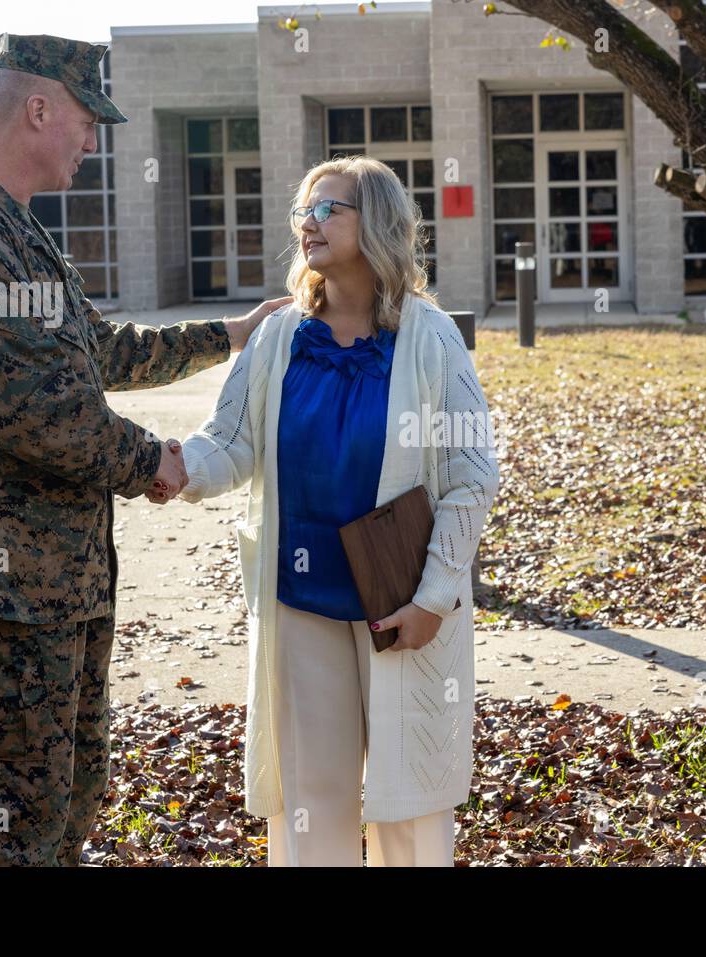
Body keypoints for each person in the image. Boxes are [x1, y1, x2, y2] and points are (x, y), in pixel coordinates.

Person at [0, 31, 287, 865]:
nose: (93, 140)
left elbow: (97, 353)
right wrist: (157, 464)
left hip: (55, 583)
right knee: (8, 816)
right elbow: (39, 412)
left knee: (63, 797)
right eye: (85, 118)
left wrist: (231, 333)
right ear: (38, 108)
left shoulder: (16, 233)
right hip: (2, 588)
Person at [174, 156, 500, 866]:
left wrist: (434, 597)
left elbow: (472, 478)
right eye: (305, 210)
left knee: (407, 797)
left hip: (398, 604)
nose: (309, 223)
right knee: (311, 794)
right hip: (302, 599)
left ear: (376, 223)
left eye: (331, 209)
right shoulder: (279, 337)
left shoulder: (431, 339)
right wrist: (172, 468)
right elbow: (229, 443)